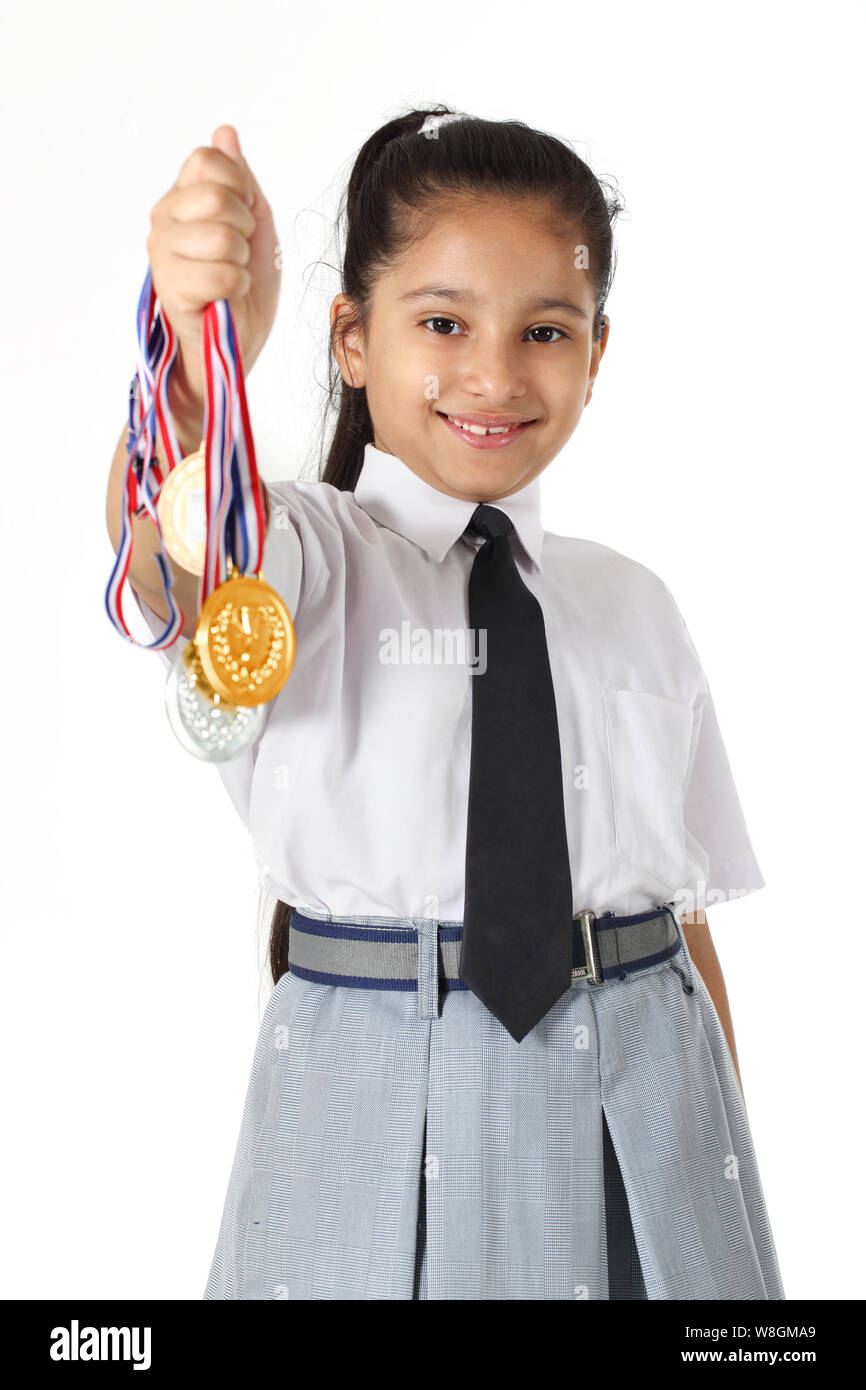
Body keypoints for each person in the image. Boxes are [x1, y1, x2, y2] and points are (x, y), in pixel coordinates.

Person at [104, 110, 784, 1300]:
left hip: (648, 1103)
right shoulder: (309, 558)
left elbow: (684, 923)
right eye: (440, 322)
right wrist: (192, 347)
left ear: (595, 354)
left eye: (544, 329)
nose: (492, 373)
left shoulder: (635, 606)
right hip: (368, 1093)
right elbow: (174, 550)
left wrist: (718, 1167)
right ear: (352, 342)